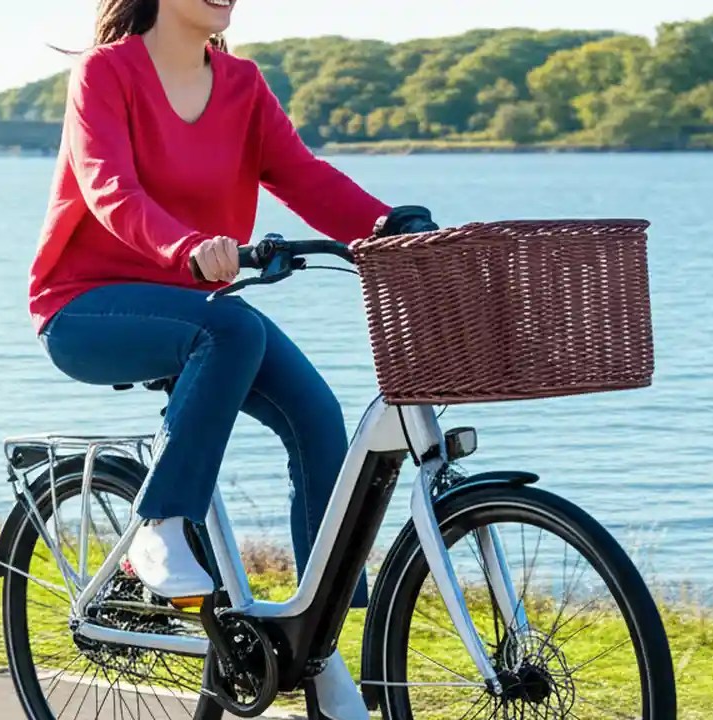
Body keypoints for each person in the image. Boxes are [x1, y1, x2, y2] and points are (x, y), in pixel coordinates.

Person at [29, 1, 434, 716]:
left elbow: (304, 177)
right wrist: (185, 247)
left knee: (316, 413)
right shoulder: (106, 75)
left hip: (196, 307)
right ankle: (160, 527)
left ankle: (317, 638)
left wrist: (384, 224)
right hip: (86, 307)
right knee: (233, 332)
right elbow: (107, 187)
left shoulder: (243, 85)